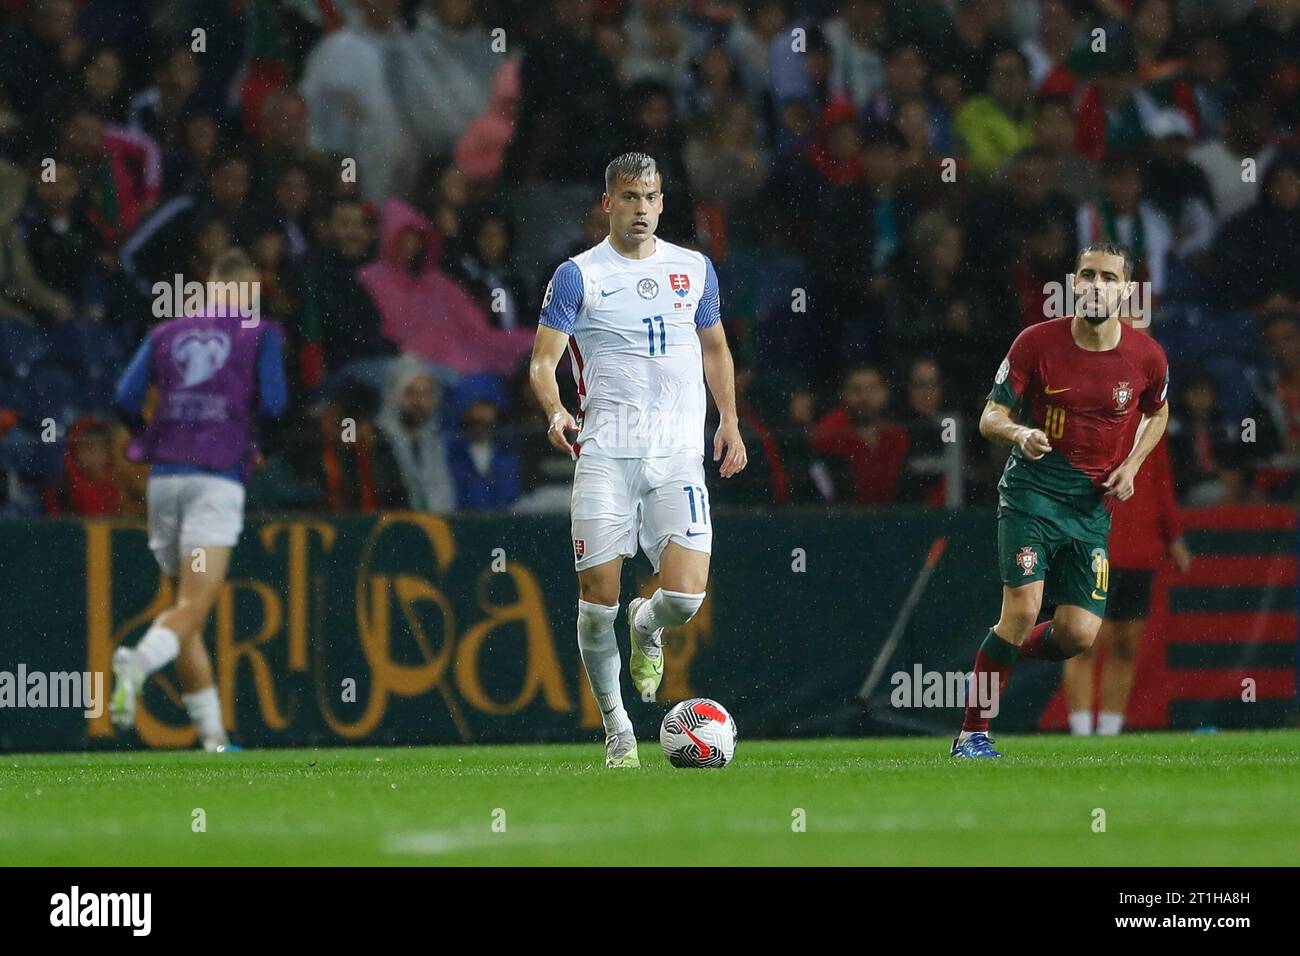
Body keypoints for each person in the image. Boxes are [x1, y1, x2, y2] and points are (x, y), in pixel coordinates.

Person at [528, 152, 747, 768]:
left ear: (662, 203)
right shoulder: (577, 275)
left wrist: (729, 420)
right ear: (608, 203)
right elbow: (542, 363)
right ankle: (618, 728)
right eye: (629, 198)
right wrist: (554, 411)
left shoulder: (695, 269)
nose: (641, 209)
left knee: (684, 599)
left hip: (677, 455)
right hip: (606, 454)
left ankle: (646, 625)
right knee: (596, 601)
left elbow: (716, 349)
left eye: (650, 197)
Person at [952, 240, 1171, 758]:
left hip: (1091, 511)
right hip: (1031, 497)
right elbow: (989, 416)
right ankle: (972, 734)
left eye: (1108, 278)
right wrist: (1019, 434)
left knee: (1077, 636)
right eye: (1088, 276)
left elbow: (1157, 412)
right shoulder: (1035, 343)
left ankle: (998, 654)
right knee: (1023, 611)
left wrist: (1133, 465)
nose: (1097, 286)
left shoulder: (1147, 356)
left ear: (1126, 290)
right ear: (1073, 284)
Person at [109, 249, 287, 752]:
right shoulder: (259, 332)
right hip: (216, 478)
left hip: (164, 480)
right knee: (192, 605)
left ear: (211, 286)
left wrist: (151, 434)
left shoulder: (166, 332)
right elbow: (274, 404)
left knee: (185, 612)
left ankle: (212, 737)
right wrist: (257, 446)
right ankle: (138, 661)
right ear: (248, 289)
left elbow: (123, 395)